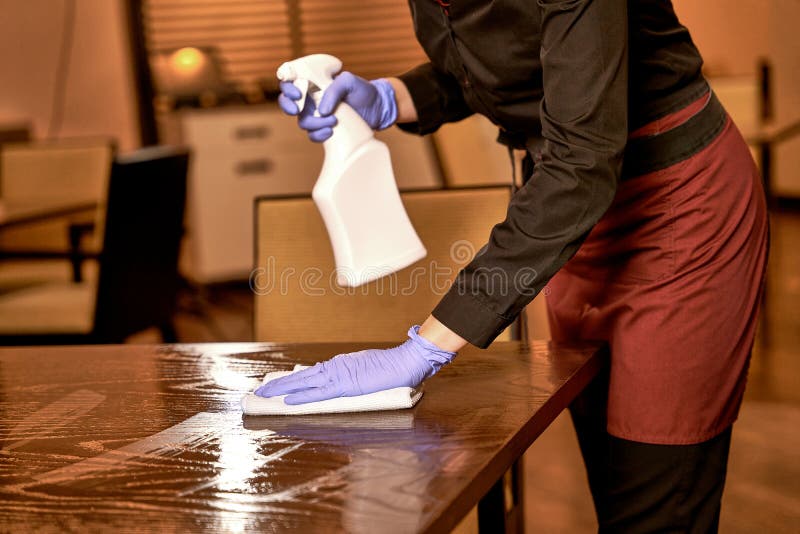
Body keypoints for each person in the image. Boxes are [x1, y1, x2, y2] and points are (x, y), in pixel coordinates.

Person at [256, 0, 769, 531]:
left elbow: (583, 160)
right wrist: (389, 98)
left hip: (675, 212)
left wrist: (424, 348)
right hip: (570, 226)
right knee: (614, 468)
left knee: (658, 497)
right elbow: (506, 64)